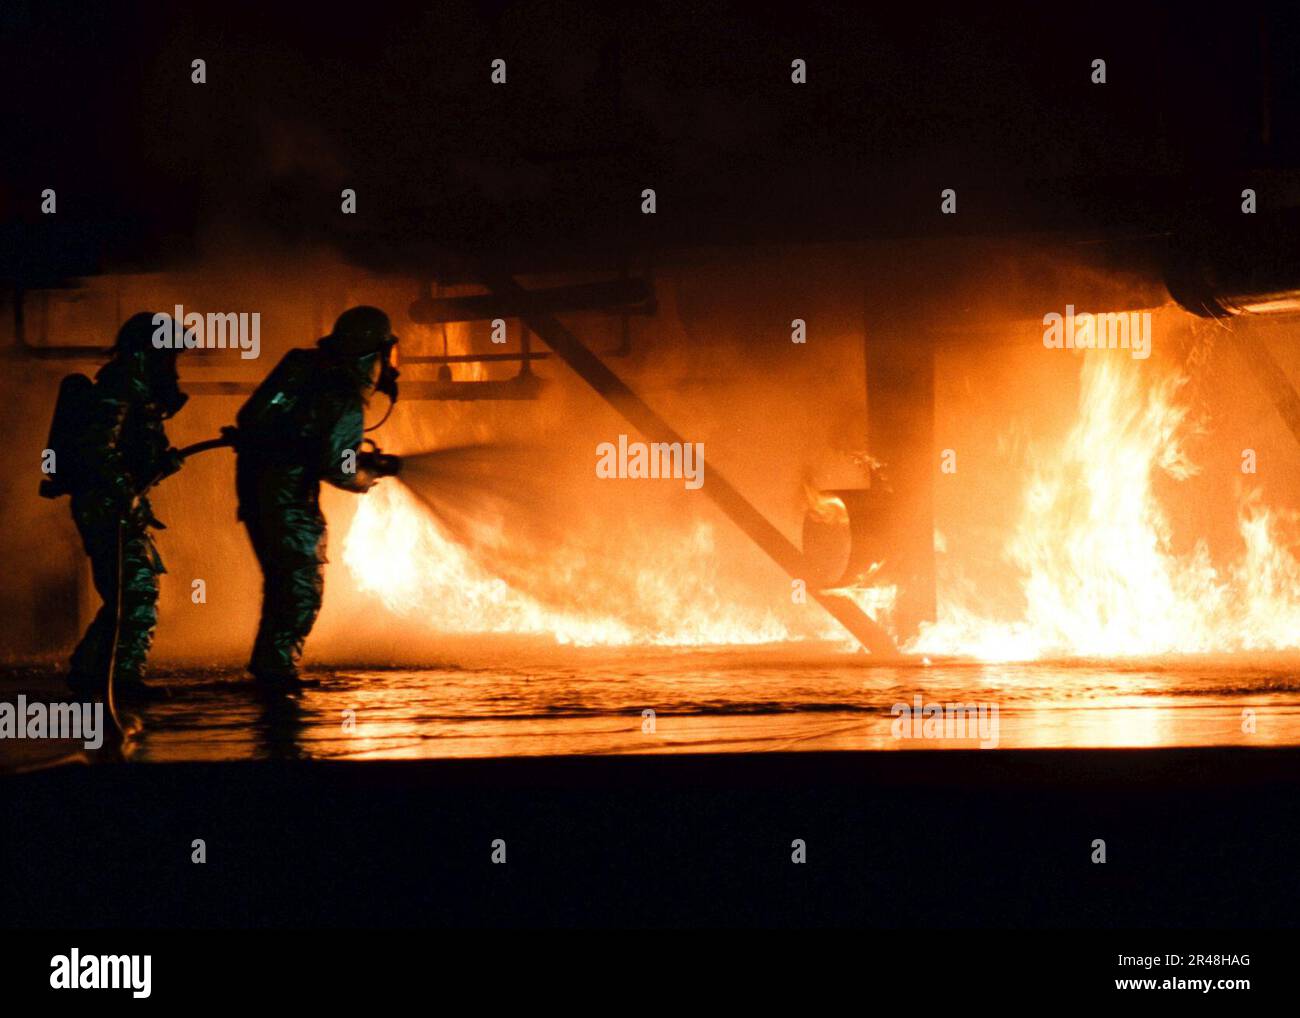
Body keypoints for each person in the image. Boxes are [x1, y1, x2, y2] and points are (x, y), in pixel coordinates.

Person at [234, 306, 400, 690]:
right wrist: (368, 473)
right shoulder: (344, 393)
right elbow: (339, 466)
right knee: (300, 584)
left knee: (283, 579)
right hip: (289, 497)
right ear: (374, 350)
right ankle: (275, 675)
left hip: (257, 488)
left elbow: (255, 417)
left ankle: (270, 669)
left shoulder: (301, 367)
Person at [66, 312, 188, 698]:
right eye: (169, 354)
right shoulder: (119, 387)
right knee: (135, 592)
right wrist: (126, 495)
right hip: (106, 506)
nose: (173, 365)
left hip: (114, 503)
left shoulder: (136, 392)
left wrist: (160, 466)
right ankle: (121, 681)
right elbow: (97, 449)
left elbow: (128, 457)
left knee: (126, 592)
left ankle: (89, 672)